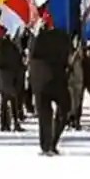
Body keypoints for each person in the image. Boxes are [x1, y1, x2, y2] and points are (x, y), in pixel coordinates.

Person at [30, 16, 72, 156]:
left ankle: (47, 144)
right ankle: (51, 143)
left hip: (44, 81)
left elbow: (33, 58)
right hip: (56, 79)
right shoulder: (62, 36)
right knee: (62, 110)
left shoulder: (39, 38)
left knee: (45, 114)